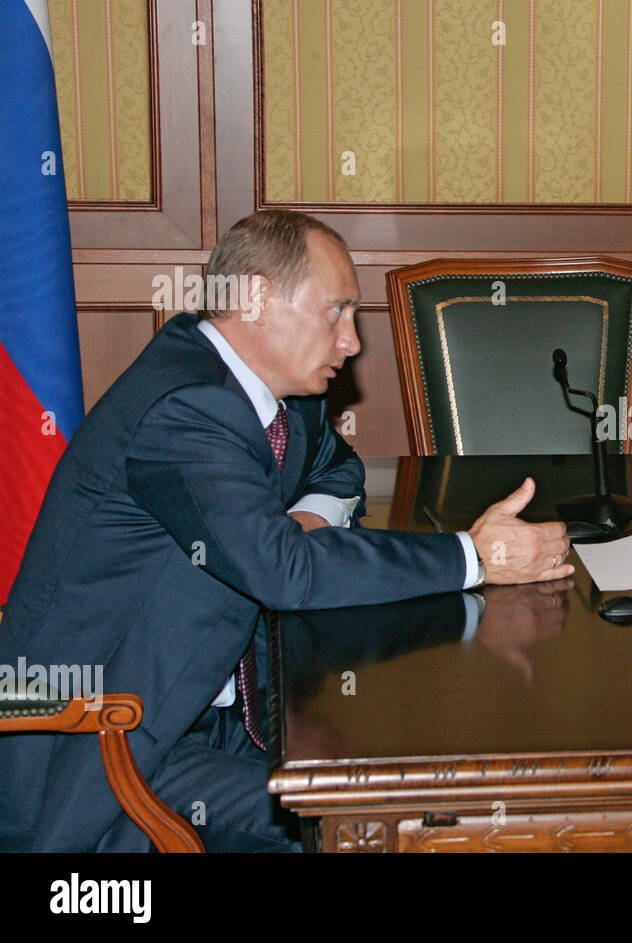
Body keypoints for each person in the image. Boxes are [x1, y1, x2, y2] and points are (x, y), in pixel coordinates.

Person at [0, 210, 573, 851]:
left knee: (398, 794)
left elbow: (338, 469)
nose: (352, 343)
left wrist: (304, 520)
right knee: (372, 823)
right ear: (255, 297)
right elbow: (286, 574)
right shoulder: (184, 407)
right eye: (337, 311)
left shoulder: (276, 397)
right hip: (114, 745)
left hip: (215, 714)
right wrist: (472, 555)